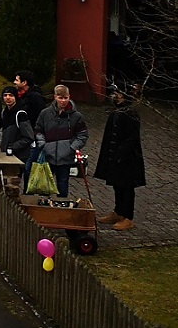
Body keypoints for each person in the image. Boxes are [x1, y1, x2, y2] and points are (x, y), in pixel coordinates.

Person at [95, 83, 145, 231]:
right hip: (114, 156)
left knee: (127, 187)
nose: (113, 95)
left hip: (128, 158)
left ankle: (128, 217)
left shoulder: (131, 114)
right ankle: (118, 212)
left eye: (116, 93)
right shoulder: (116, 112)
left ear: (122, 95)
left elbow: (132, 137)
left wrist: (121, 153)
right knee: (117, 184)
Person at [34, 85, 89, 198]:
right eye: (60, 98)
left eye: (65, 98)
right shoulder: (45, 113)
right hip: (48, 155)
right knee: (44, 185)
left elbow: (82, 134)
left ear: (69, 97)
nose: (63, 101)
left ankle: (62, 205)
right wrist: (43, 145)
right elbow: (38, 130)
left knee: (63, 183)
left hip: (66, 156)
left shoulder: (76, 116)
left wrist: (72, 147)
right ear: (55, 97)